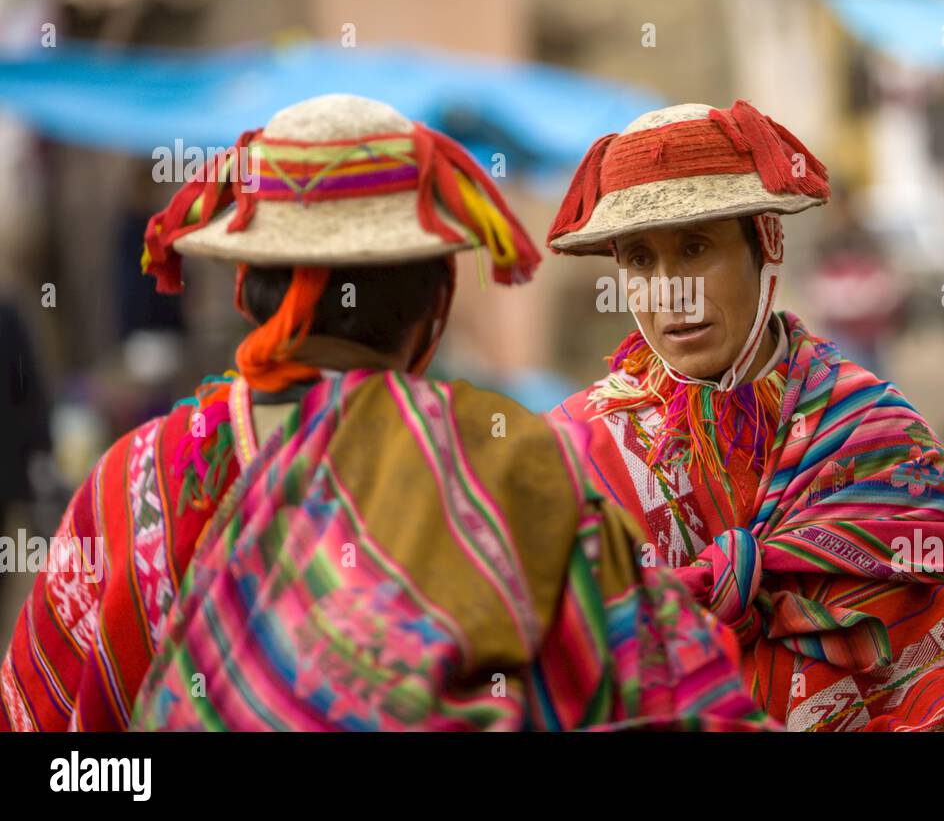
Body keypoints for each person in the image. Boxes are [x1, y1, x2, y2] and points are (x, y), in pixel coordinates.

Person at [0, 93, 764, 732]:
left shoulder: (134, 487)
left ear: (249, 290)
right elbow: (671, 693)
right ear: (436, 301)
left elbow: (43, 719)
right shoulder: (512, 471)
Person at [548, 100, 944, 730]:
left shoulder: (875, 436)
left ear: (765, 247)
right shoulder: (577, 453)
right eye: (639, 260)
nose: (669, 290)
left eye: (694, 247)